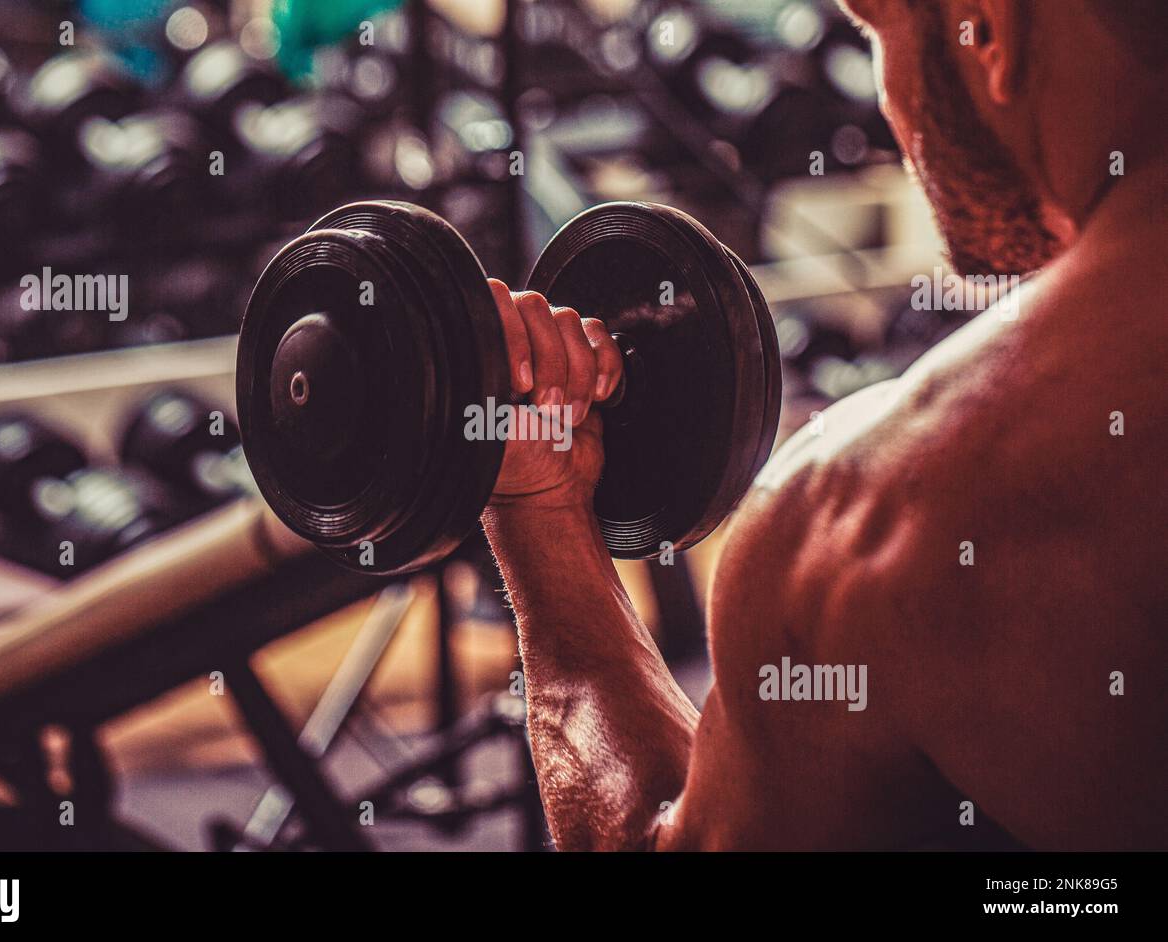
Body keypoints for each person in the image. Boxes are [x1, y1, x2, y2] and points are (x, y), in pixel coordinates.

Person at [481, 0, 1167, 850]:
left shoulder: (864, 526)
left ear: (984, 29)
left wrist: (537, 512)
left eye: (875, 27)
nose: (883, 96)